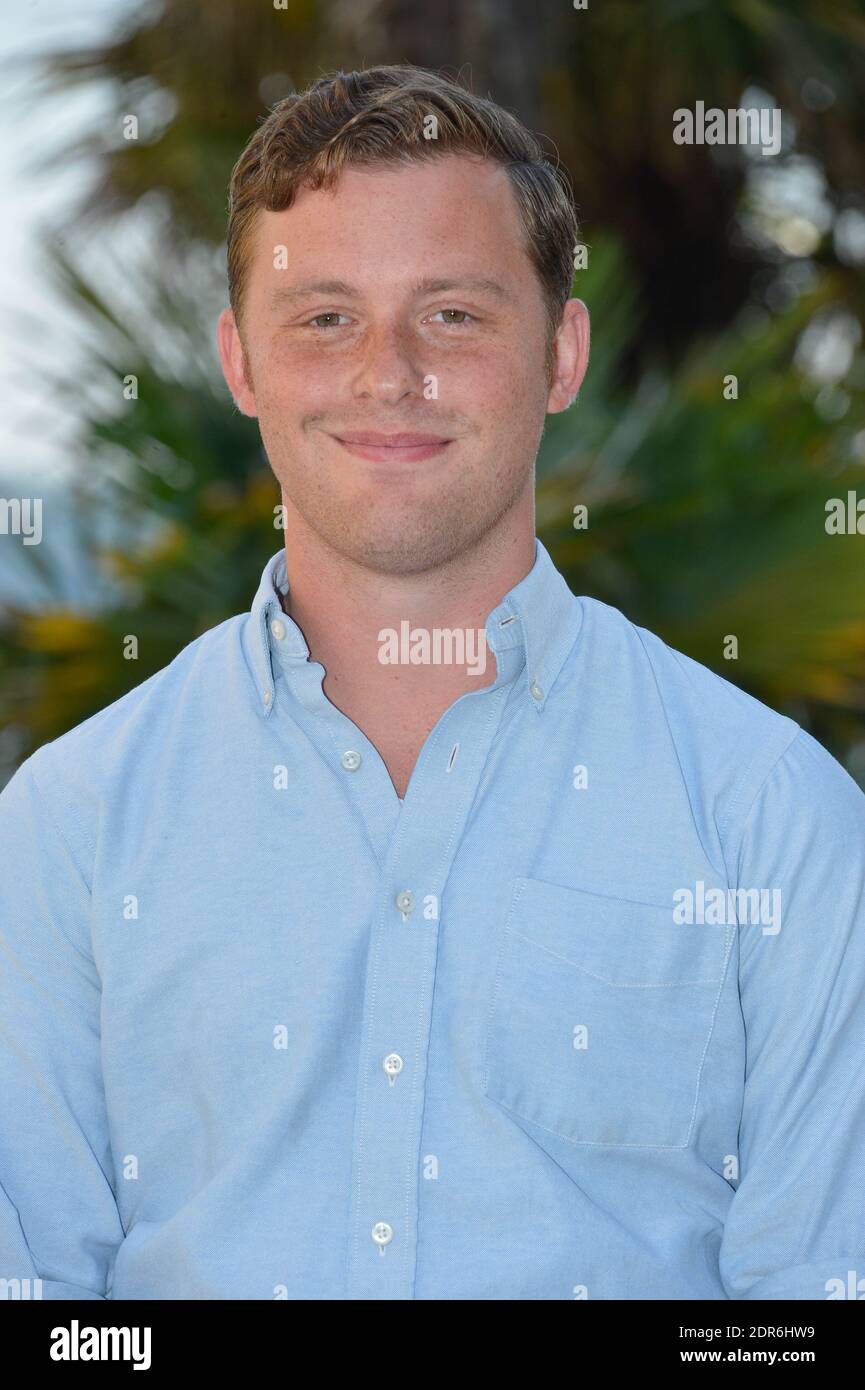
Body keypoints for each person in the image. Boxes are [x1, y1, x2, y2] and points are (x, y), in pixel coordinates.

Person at [1, 64, 864, 1302]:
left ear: (560, 352)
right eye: (325, 317)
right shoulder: (67, 827)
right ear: (242, 363)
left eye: (454, 313)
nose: (389, 373)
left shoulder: (771, 818)